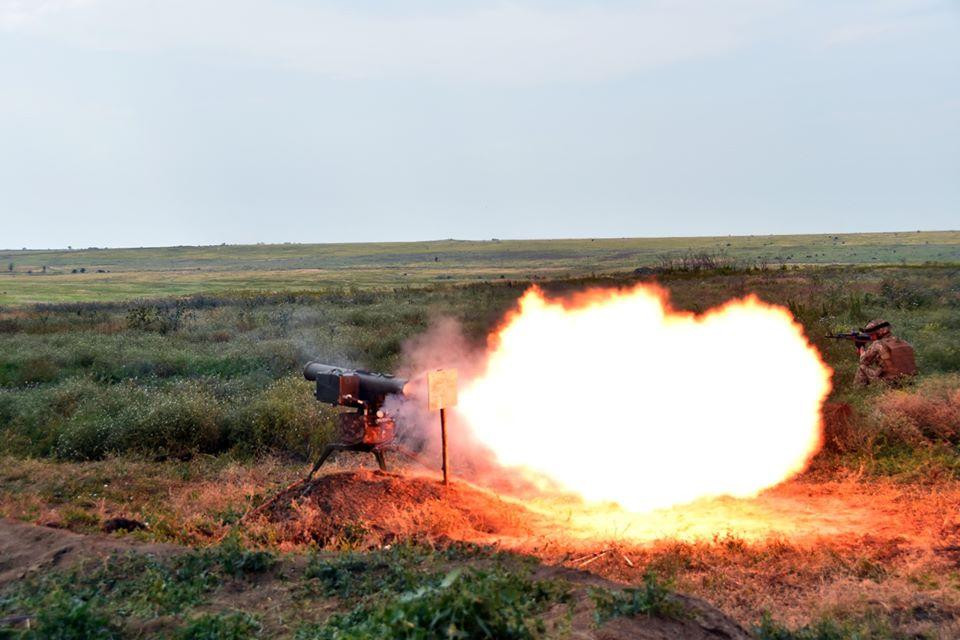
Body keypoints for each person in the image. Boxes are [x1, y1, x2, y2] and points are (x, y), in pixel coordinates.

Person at [854, 319, 918, 386]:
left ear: (880, 332)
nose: (871, 336)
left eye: (872, 334)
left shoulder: (878, 344)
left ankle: (859, 393)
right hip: (910, 381)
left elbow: (863, 361)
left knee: (862, 367)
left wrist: (860, 347)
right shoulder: (904, 342)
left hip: (891, 383)